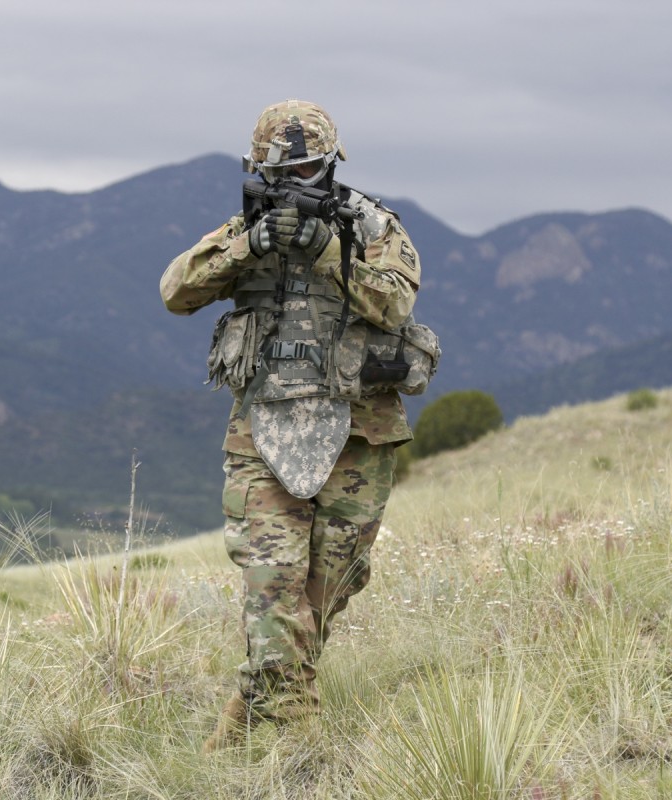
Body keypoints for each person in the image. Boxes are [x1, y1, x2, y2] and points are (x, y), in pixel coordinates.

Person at [160, 99, 434, 752]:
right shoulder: (247, 227)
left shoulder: (369, 223)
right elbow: (176, 290)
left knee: (321, 600)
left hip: (358, 441)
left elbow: (397, 305)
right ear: (256, 170)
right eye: (281, 172)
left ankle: (235, 731)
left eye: (309, 170)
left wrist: (327, 254)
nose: (296, 183)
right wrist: (250, 246)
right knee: (275, 593)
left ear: (332, 165)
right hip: (263, 438)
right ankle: (303, 757)